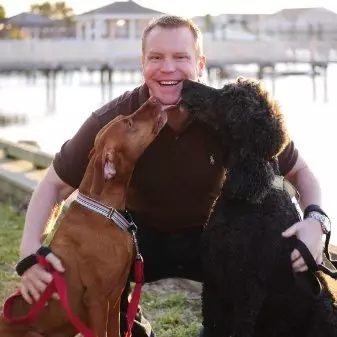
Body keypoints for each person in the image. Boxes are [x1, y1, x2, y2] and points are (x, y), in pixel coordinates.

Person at [18, 15, 328, 336]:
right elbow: (54, 186)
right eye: (156, 57)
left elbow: (300, 172)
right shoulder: (114, 120)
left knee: (270, 260)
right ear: (143, 63)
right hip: (136, 241)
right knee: (84, 256)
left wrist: (316, 220)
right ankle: (130, 324)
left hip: (210, 237)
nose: (168, 68)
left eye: (180, 57)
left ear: (200, 63)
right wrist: (29, 252)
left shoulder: (230, 113)